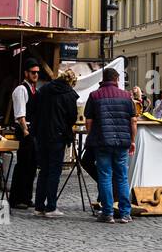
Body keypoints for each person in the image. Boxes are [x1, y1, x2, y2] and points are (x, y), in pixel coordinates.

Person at [84, 66, 137, 224]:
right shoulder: (126, 96)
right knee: (122, 177)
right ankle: (125, 213)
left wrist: (91, 136)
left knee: (105, 176)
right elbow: (133, 121)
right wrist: (132, 140)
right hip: (122, 142)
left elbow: (88, 121)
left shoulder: (94, 96)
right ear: (117, 80)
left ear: (103, 79)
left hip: (102, 142)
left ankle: (107, 213)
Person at [32, 68, 78, 216]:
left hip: (42, 135)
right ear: (71, 82)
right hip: (58, 136)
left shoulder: (44, 89)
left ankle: (39, 206)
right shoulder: (69, 95)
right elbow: (72, 117)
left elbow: (34, 111)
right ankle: (51, 206)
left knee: (44, 170)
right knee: (54, 171)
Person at [8, 58, 40, 207]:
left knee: (32, 165)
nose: (36, 75)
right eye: (33, 72)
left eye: (37, 73)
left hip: (33, 130)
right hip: (25, 130)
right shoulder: (21, 89)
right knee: (23, 164)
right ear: (26, 73)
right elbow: (20, 113)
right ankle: (16, 198)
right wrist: (26, 131)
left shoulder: (34, 90)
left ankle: (26, 197)